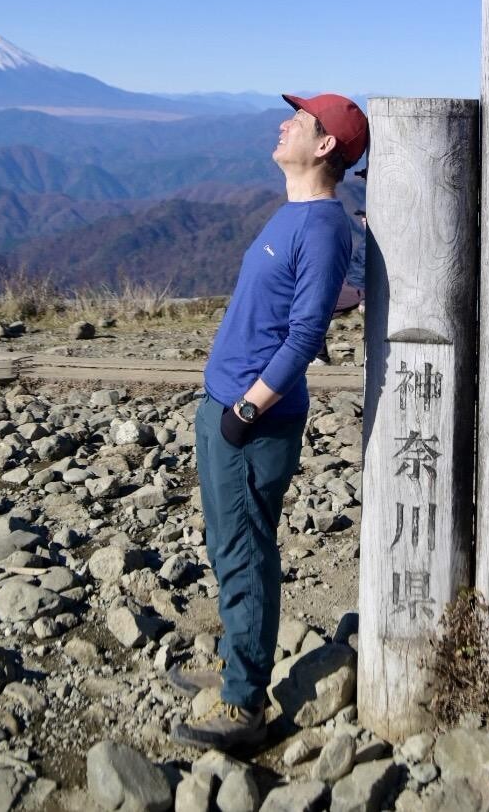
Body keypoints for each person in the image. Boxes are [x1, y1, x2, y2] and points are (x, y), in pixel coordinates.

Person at [170, 92, 369, 751]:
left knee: (244, 552)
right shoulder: (301, 217)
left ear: (322, 148)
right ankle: (237, 661)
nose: (283, 124)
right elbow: (323, 295)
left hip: (250, 423)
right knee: (229, 547)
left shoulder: (318, 224)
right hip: (230, 411)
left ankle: (242, 706)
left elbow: (305, 332)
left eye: (299, 122)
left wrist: (246, 408)